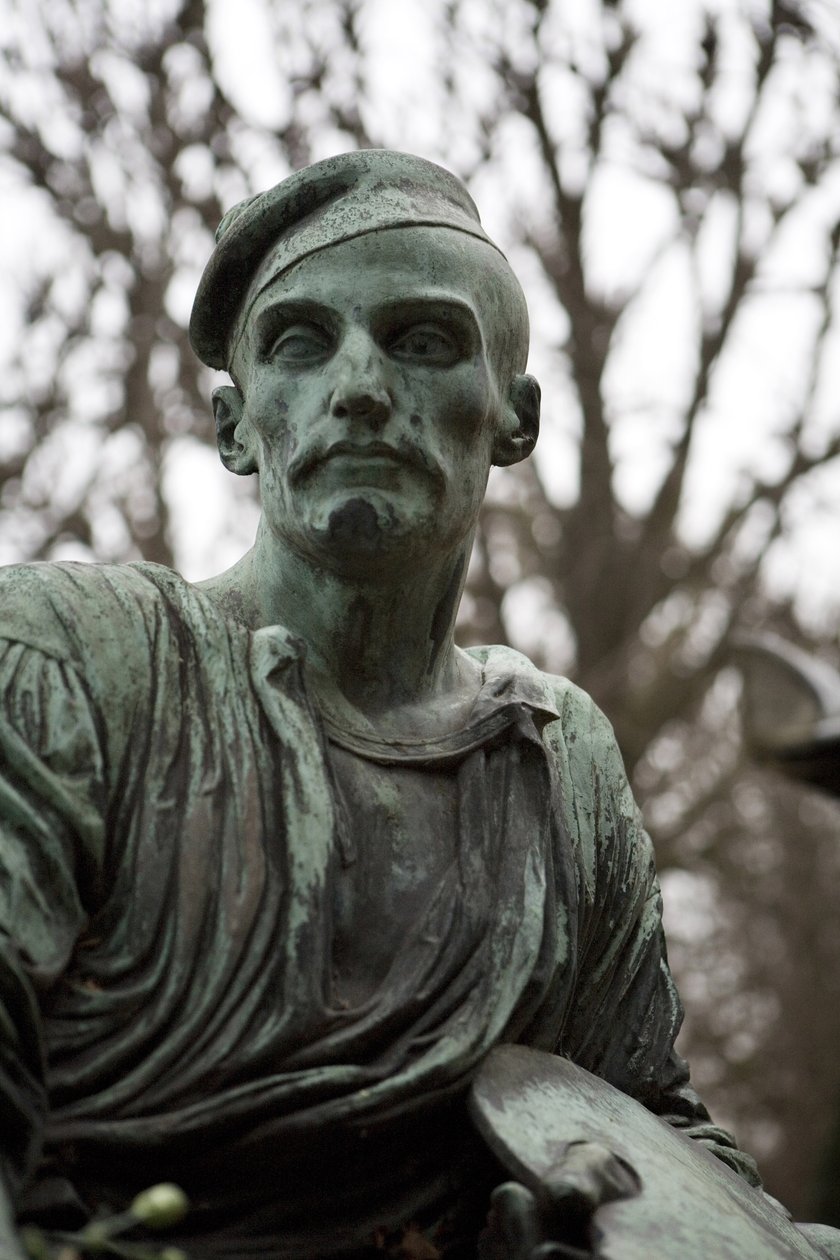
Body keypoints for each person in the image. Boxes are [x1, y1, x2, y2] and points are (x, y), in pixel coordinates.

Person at [0, 150, 761, 1259]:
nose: (359, 385)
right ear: (235, 425)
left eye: (424, 340)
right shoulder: (72, 657)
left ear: (513, 416)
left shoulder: (562, 761)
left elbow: (658, 1141)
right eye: (300, 343)